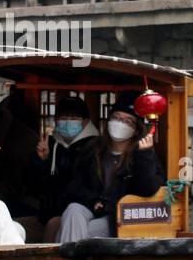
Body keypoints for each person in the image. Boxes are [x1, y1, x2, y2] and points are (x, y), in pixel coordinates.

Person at [55, 92, 164, 243]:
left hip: (116, 217)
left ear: (136, 129)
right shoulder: (92, 148)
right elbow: (74, 186)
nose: (121, 123)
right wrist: (93, 201)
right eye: (117, 118)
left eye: (128, 121)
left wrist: (144, 156)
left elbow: (148, 190)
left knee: (80, 231)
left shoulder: (140, 154)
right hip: (90, 207)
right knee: (72, 210)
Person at [33, 96, 100, 239]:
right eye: (63, 117)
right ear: (56, 121)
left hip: (81, 211)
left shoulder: (95, 148)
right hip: (48, 213)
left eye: (74, 118)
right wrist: (43, 161)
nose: (68, 122)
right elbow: (36, 185)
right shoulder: (51, 144)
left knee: (53, 226)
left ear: (86, 121)